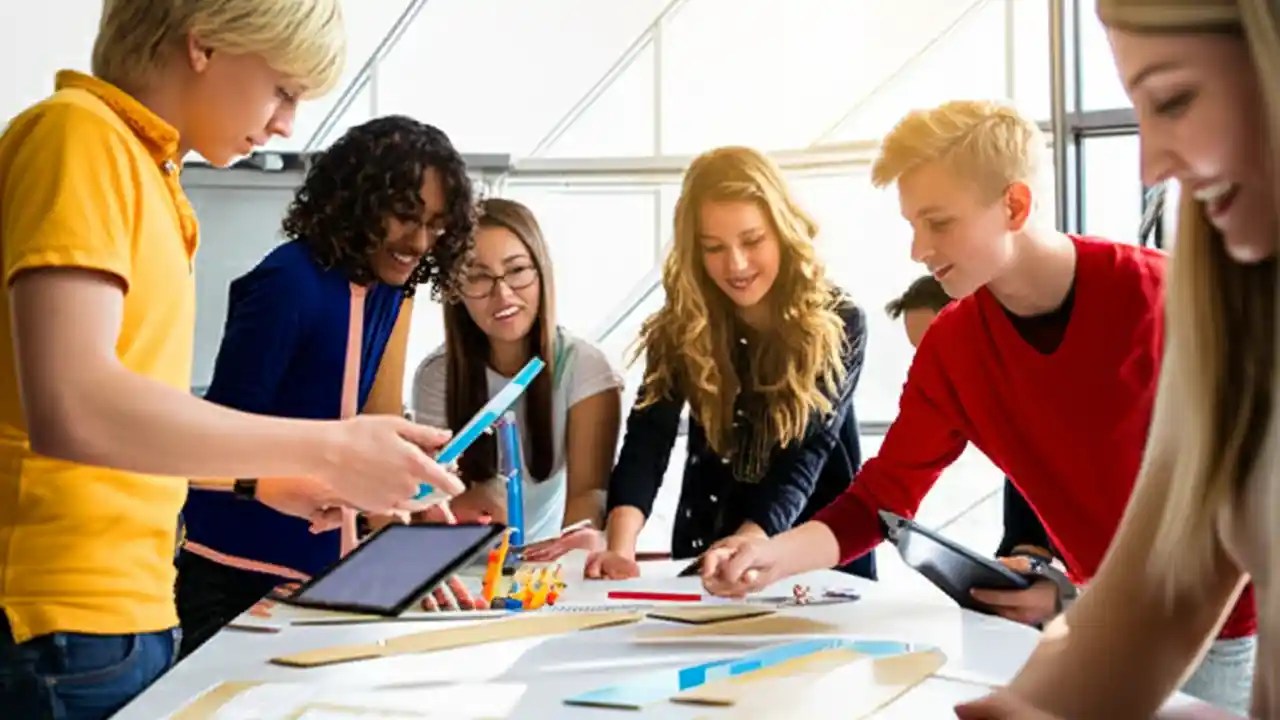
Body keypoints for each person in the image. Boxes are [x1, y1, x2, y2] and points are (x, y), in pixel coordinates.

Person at [696, 100, 1258, 714]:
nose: (918, 249)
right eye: (913, 224)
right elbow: (881, 499)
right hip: (1109, 625)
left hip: (1229, 628)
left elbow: (1245, 492)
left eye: (938, 223)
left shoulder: (1166, 300)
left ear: (1014, 206)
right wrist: (771, 555)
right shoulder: (953, 345)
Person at [0, 4, 463, 718]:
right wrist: (331, 448)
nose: (285, 124)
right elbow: (75, 408)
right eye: (282, 90)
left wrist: (260, 480)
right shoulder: (79, 136)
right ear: (206, 45)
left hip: (121, 614)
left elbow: (124, 427)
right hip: (61, 617)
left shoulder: (147, 174)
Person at [955, 1, 1279, 718]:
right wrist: (1024, 709)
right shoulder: (1237, 321)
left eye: (1175, 99)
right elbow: (1156, 594)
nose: (1150, 162)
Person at [174, 115, 477, 658]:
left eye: (436, 226)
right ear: (358, 201)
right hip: (234, 578)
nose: (419, 242)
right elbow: (213, 441)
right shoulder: (288, 282)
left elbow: (376, 425)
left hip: (322, 578)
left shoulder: (390, 288)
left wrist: (409, 505)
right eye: (405, 217)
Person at [585, 145, 876, 582]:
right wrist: (620, 549)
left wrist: (747, 545)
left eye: (752, 241)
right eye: (714, 248)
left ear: (782, 231)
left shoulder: (839, 321)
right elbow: (648, 436)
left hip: (814, 564)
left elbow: (805, 455)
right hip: (707, 550)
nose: (735, 264)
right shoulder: (683, 322)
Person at [411, 197, 625, 559]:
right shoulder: (437, 376)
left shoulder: (585, 366)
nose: (503, 294)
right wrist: (462, 501)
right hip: (461, 565)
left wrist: (576, 539)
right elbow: (430, 497)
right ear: (455, 290)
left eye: (517, 270)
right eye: (478, 276)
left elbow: (589, 492)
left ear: (542, 271)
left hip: (543, 566)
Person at [886, 275, 1055, 562]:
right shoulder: (991, 401)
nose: (931, 365)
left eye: (936, 348)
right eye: (921, 353)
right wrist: (1023, 554)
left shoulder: (1044, 384)